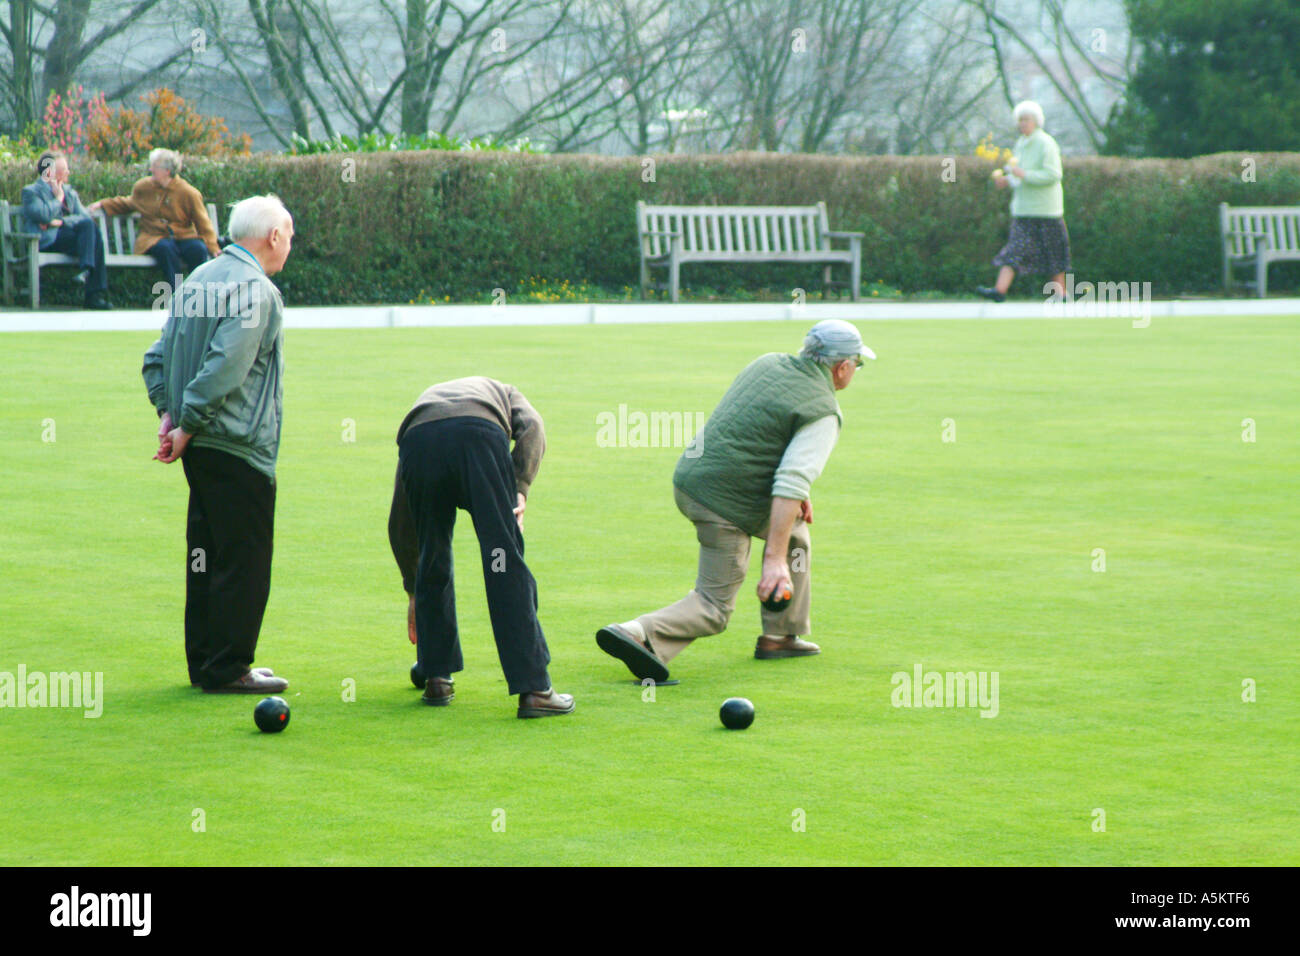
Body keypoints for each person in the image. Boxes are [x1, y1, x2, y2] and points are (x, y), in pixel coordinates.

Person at [596, 319, 874, 681]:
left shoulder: (769, 362)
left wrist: (798, 499)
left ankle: (780, 634)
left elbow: (756, 431)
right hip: (724, 502)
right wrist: (773, 561)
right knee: (715, 608)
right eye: (858, 364)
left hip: (692, 480)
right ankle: (636, 632)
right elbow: (790, 480)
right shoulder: (823, 411)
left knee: (796, 532)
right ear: (843, 367)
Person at [142, 195, 294, 694]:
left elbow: (157, 356)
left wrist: (170, 414)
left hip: (199, 443)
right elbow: (226, 366)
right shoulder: (257, 290)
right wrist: (184, 423)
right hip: (235, 443)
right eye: (288, 235)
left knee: (204, 554)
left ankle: (207, 664)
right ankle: (230, 667)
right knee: (243, 557)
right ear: (273, 237)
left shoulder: (199, 279)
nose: (289, 244)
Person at [388, 377, 574, 719]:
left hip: (420, 444)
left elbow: (401, 524)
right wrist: (520, 486)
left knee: (433, 555)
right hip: (479, 440)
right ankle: (534, 689)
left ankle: (436, 677)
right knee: (501, 559)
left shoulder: (426, 410)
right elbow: (533, 426)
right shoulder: (505, 391)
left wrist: (413, 589)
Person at [977, 100, 1070, 302]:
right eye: (1020, 120)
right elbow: (1019, 175)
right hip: (1024, 210)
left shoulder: (1046, 143)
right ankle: (999, 291)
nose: (1022, 123)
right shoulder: (1021, 144)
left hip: (1047, 211)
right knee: (1013, 250)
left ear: (1036, 121)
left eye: (1026, 119)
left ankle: (1060, 294)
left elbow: (1053, 175)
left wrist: (1024, 175)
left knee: (1054, 252)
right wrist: (1008, 180)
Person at [89, 148, 219, 292]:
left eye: (154, 167)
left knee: (198, 249)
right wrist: (103, 204)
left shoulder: (188, 192)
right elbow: (129, 203)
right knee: (166, 248)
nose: (150, 169)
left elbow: (203, 223)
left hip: (183, 236)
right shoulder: (144, 187)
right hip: (153, 238)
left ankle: (199, 294)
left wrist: (213, 247)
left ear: (167, 171)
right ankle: (177, 295)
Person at [20, 152, 111, 309]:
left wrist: (61, 222)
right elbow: (42, 214)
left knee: (91, 229)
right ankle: (93, 294)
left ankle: (86, 272)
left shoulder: (70, 191)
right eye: (64, 169)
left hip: (70, 238)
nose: (68, 172)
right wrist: (58, 199)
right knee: (93, 233)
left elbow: (84, 217)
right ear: (49, 173)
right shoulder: (31, 192)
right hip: (47, 240)